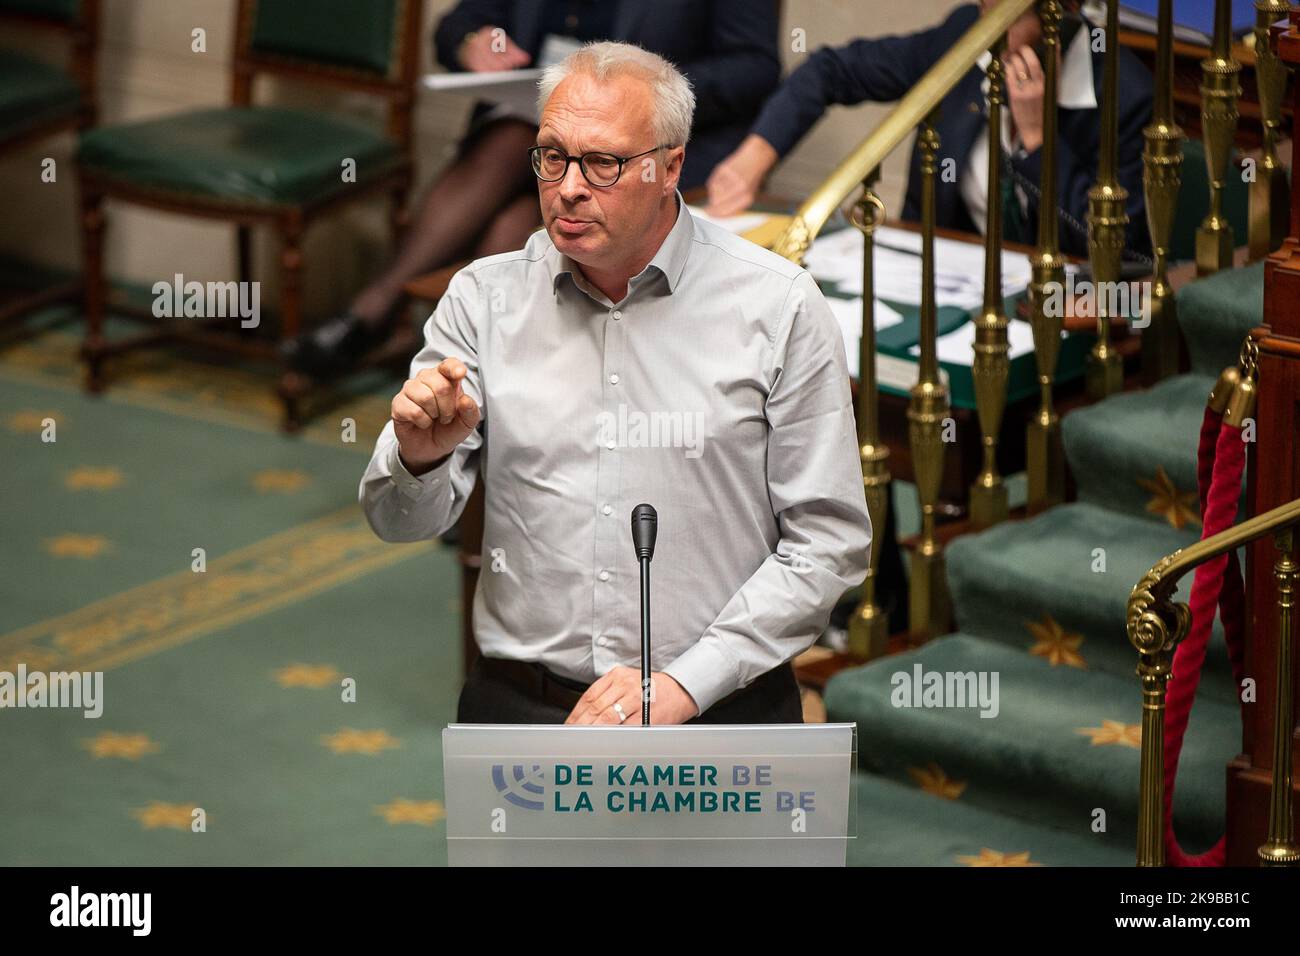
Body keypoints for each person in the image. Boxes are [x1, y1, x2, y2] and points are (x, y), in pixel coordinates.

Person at [359, 41, 872, 725]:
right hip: (523, 708)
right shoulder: (482, 301)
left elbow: (828, 544)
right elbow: (396, 522)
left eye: (602, 162)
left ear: (670, 168)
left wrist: (688, 684)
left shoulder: (778, 307)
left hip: (719, 712)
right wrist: (419, 457)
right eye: (552, 156)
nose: (569, 185)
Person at [285, 0, 781, 379]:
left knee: (510, 215)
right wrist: (475, 42)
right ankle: (453, 366)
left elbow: (754, 68)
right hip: (527, 127)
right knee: (518, 142)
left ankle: (395, 327)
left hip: (637, 148)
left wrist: (635, 95)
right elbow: (459, 23)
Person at [706, 0, 1153, 260]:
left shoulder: (1125, 95)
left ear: (1061, 14)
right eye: (983, 7)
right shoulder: (963, 38)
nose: (985, 33)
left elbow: (1118, 251)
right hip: (945, 283)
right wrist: (754, 158)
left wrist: (1036, 143)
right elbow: (829, 72)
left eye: (1006, 18)